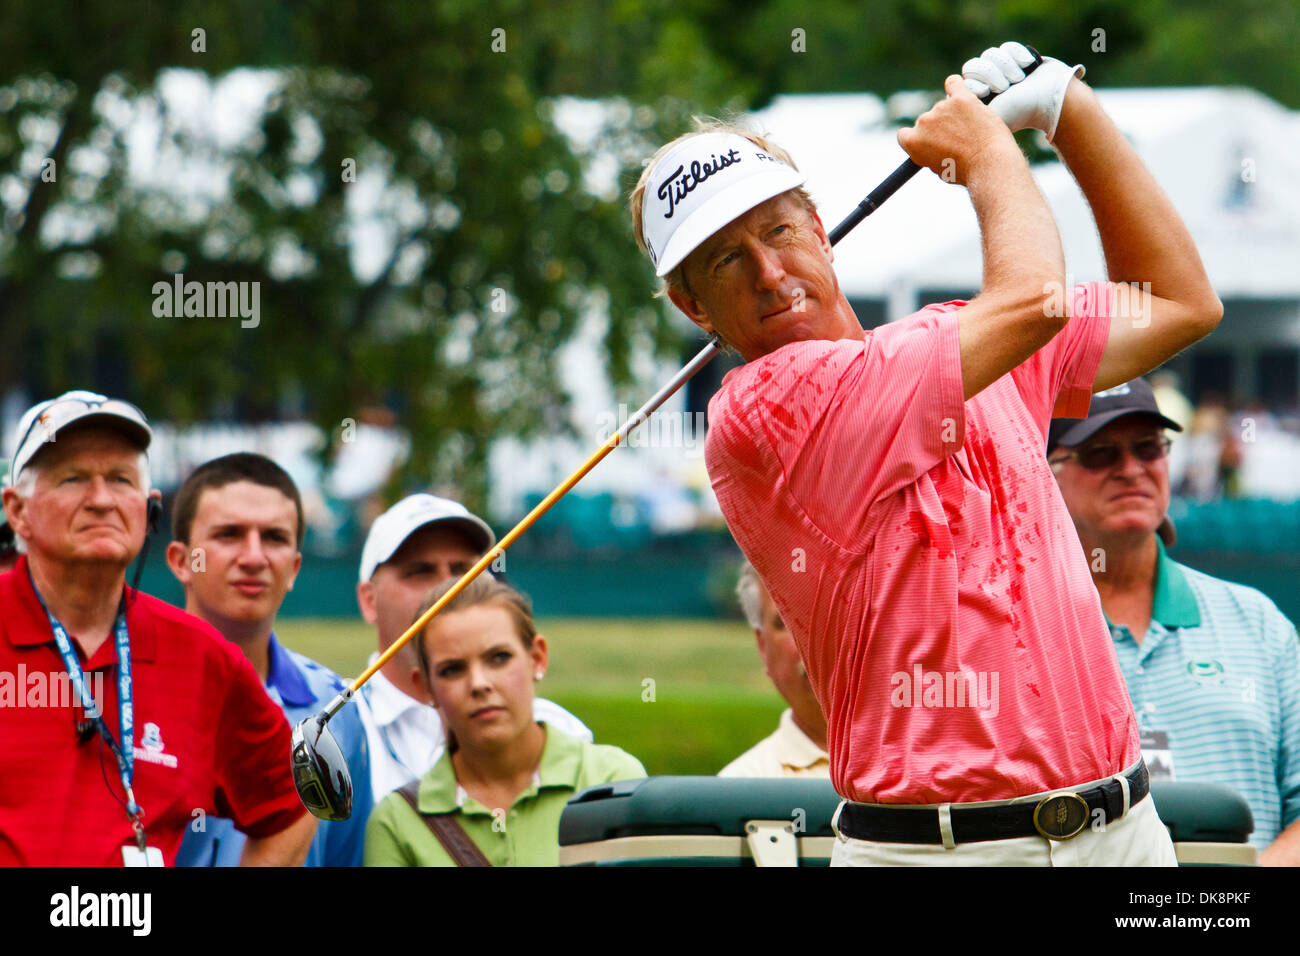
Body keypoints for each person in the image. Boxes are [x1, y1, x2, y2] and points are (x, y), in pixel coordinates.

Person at [630, 41, 1223, 865]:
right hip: (937, 851)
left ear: (822, 232)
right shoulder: (764, 412)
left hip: (1122, 827)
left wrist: (1070, 112)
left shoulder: (962, 347)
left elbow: (1180, 302)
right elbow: (1029, 303)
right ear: (692, 305)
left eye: (779, 230)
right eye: (728, 260)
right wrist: (989, 152)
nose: (771, 273)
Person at [0, 391, 315, 865]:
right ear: (17, 510)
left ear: (148, 511)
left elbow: (295, 801)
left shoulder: (200, 655)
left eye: (121, 479)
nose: (102, 500)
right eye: (74, 478)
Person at [1048, 378, 1300, 865]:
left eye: (1148, 448)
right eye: (1100, 453)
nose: (1131, 469)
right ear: (1047, 474)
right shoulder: (1017, 633)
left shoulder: (1257, 620)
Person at [165, 452, 373, 867]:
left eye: (275, 538)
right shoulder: (128, 691)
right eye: (229, 534)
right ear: (180, 561)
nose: (255, 557)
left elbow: (345, 858)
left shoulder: (335, 706)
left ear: (294, 567)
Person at [364, 575, 645, 866]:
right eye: (452, 669)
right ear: (425, 687)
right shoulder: (397, 822)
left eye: (499, 658)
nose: (479, 683)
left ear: (537, 658)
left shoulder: (613, 779)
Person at [353, 493, 592, 800]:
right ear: (369, 600)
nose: (448, 589)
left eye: (464, 569)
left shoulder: (562, 733)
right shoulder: (336, 733)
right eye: (420, 571)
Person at [719, 560, 829, 778]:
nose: (817, 641)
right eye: (791, 622)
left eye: (834, 613)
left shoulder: (914, 762)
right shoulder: (740, 793)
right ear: (763, 646)